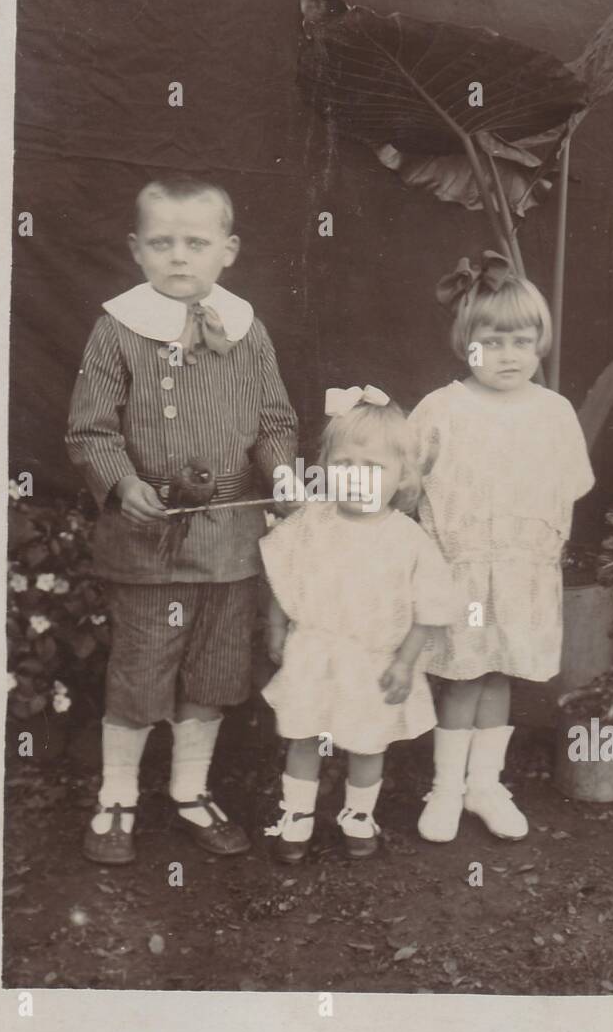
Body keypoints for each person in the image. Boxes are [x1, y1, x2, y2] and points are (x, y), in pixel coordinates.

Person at [66, 175, 298, 864]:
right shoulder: (117, 330)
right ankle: (117, 797)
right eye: (161, 243)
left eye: (195, 243)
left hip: (229, 539)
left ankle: (190, 789)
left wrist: (282, 471)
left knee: (215, 671)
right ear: (136, 251)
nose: (178, 257)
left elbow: (273, 423)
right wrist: (121, 483)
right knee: (141, 670)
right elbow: (89, 431)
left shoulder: (246, 331)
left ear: (226, 251)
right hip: (149, 536)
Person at [410, 251, 594, 844]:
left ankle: (484, 785)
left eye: (522, 341)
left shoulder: (553, 412)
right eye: (493, 342)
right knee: (464, 675)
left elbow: (568, 485)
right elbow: (410, 481)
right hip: (462, 574)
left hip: (520, 570)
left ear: (539, 343)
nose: (509, 355)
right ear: (466, 343)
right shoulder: (443, 409)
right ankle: (444, 788)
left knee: (500, 674)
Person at [260, 386, 453, 863]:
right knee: (305, 736)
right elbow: (284, 575)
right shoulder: (312, 522)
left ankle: (358, 815)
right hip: (315, 652)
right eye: (345, 465)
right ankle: (297, 815)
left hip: (375, 660)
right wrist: (276, 628)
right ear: (325, 465)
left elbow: (429, 606)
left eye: (374, 468)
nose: (357, 479)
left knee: (368, 743)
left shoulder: (407, 539)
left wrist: (407, 663)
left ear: (402, 476)